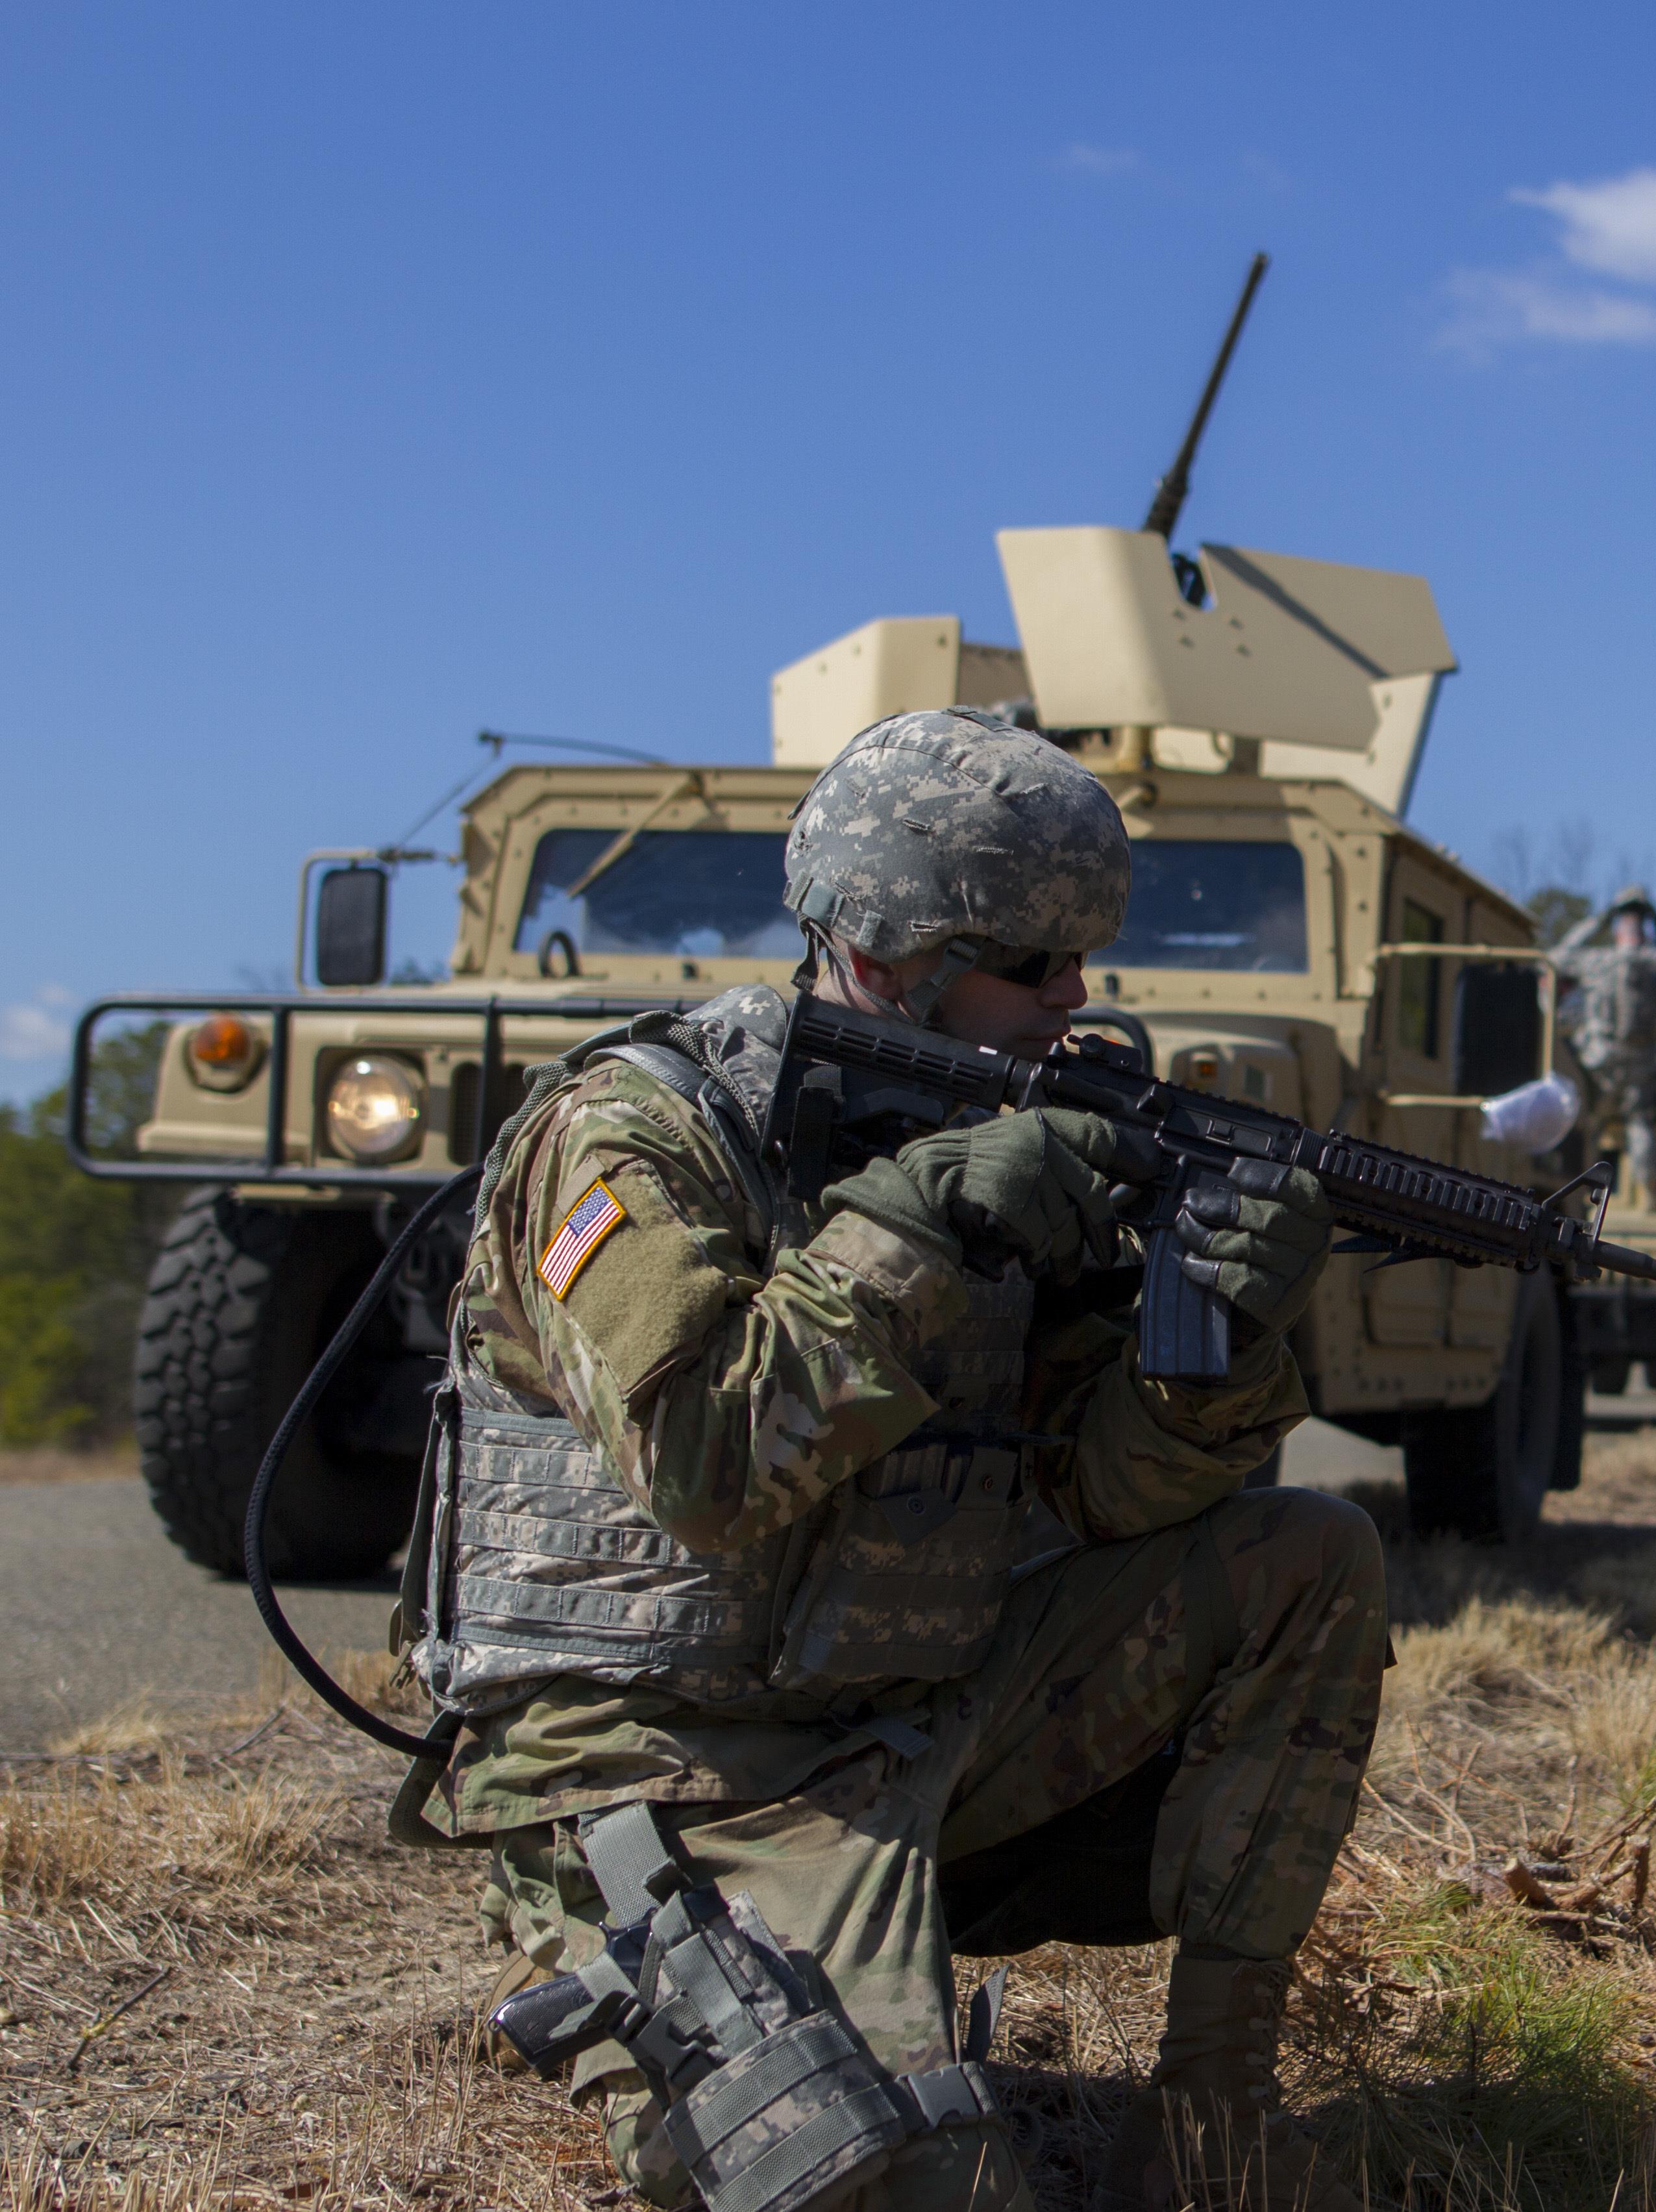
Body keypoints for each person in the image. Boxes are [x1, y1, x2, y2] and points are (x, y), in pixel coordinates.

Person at [416, 709, 1381, 2212]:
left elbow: (1103, 1491)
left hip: (908, 1714)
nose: (1073, 999)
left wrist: (1230, 1341)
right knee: (928, 2189)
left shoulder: (990, 1122)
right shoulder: (634, 1131)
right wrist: (920, 1223)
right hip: (673, 1765)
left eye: (1081, 959)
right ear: (881, 954)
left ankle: (1212, 2123)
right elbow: (706, 1464)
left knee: (1307, 1559)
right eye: (1029, 961)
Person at [1548, 886, 1656, 1203]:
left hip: (1599, 1058)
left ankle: (1581, 1195)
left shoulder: (1598, 962)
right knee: (1639, 1124)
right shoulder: (1655, 966)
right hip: (1641, 1061)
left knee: (1590, 1124)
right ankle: (1649, 1192)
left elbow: (1557, 958)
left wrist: (1601, 918)